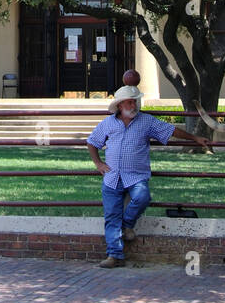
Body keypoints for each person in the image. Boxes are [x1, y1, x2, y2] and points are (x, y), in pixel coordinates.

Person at [87, 69, 210, 267]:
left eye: (135, 101)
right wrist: (98, 163)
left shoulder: (146, 121)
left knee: (143, 197)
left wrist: (195, 138)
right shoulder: (107, 124)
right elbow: (92, 143)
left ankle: (127, 225)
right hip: (111, 176)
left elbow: (170, 131)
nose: (133, 105)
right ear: (120, 105)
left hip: (136, 176)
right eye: (129, 102)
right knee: (111, 215)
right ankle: (115, 255)